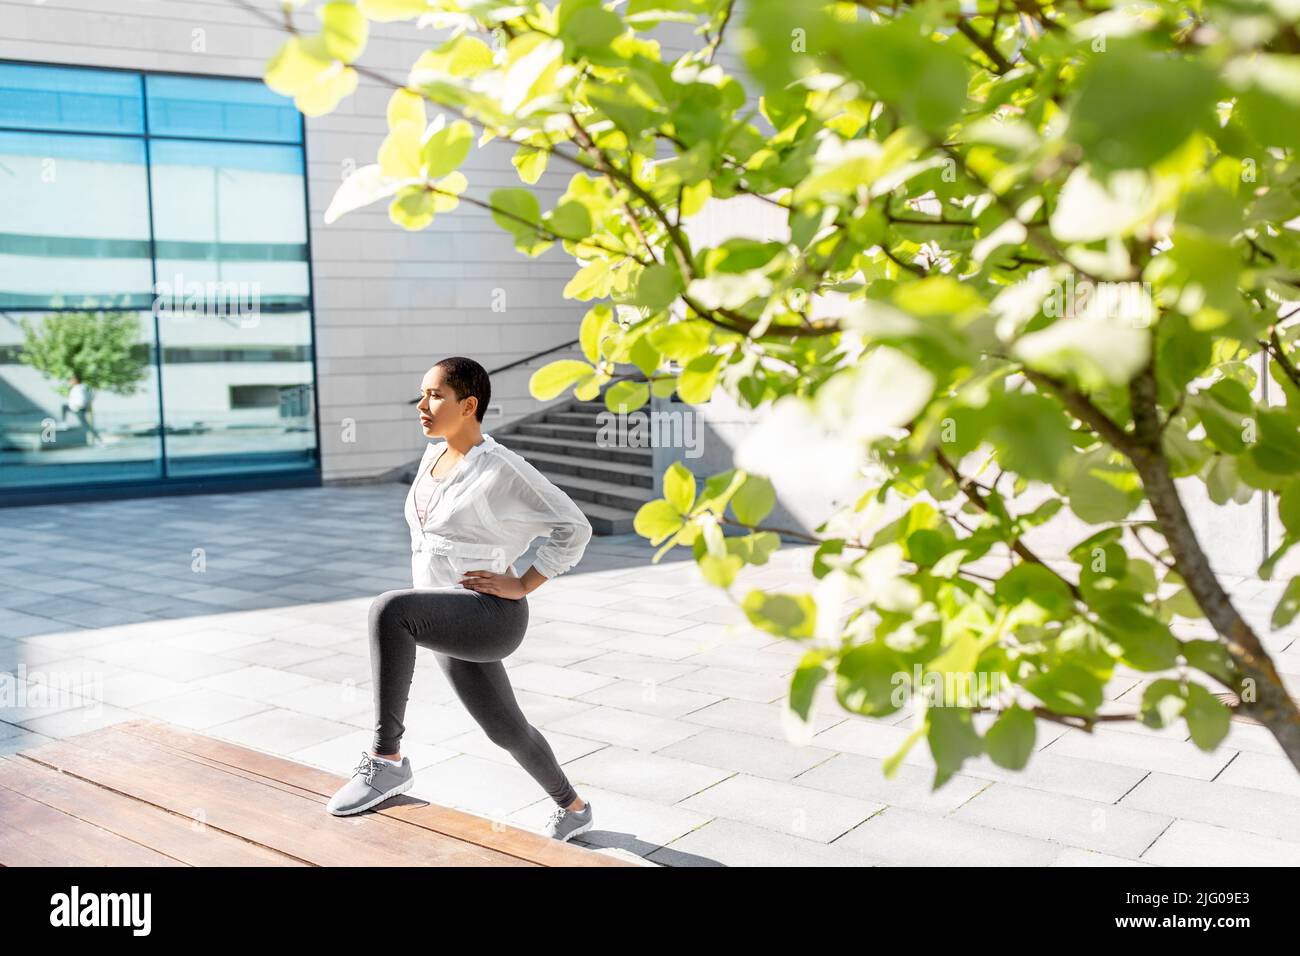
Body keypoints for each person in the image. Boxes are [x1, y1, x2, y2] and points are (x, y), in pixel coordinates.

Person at [326, 355, 597, 843]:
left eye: (435, 396)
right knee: (505, 730)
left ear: (468, 405)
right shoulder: (433, 457)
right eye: (422, 394)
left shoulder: (501, 467)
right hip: (447, 614)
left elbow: (574, 527)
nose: (422, 406)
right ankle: (573, 807)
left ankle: (386, 760)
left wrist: (525, 582)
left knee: (390, 609)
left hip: (492, 615)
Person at [59, 374, 102, 444]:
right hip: (75, 407)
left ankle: (99, 440)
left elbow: (82, 399)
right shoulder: (80, 387)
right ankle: (63, 423)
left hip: (78, 408)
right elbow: (89, 397)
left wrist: (79, 405)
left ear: (76, 380)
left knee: (86, 426)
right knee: (64, 407)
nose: (70, 382)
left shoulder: (79, 388)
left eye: (72, 380)